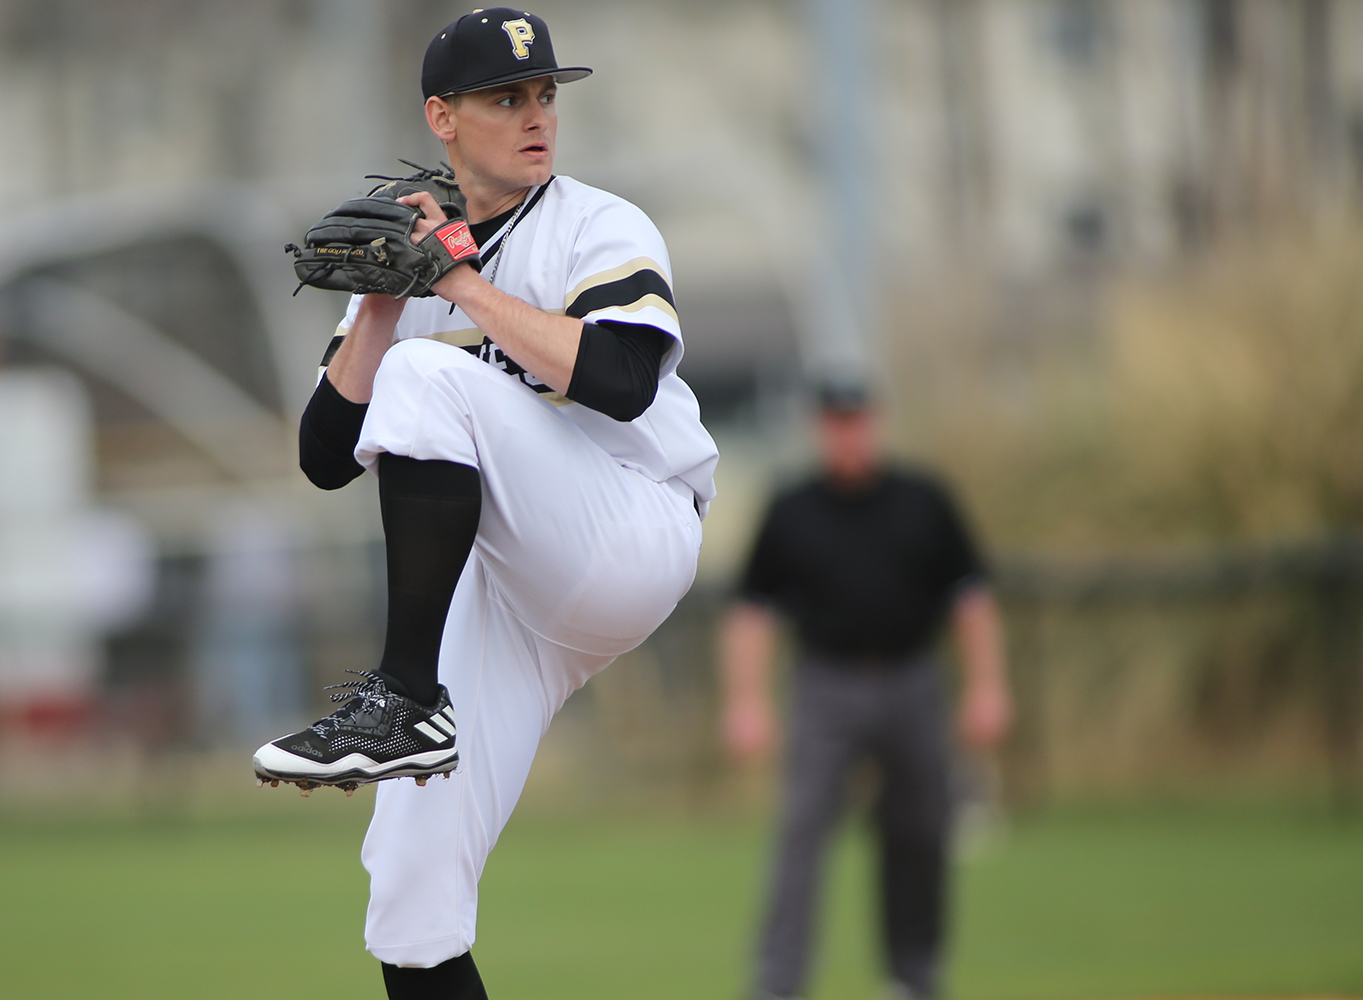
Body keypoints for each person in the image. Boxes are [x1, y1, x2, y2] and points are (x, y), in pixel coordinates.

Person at [250, 9, 717, 998]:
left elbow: (625, 378)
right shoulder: (410, 254)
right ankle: (412, 706)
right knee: (406, 893)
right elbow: (324, 457)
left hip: (631, 521)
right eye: (505, 97)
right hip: (510, 582)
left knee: (428, 376)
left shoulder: (596, 223)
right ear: (441, 117)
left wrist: (456, 284)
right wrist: (378, 308)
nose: (535, 113)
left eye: (544, 93)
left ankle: (406, 698)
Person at [720, 380, 1010, 1000]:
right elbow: (752, 610)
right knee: (801, 835)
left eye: (856, 420)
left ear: (875, 422)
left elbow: (970, 598)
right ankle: (778, 985)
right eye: (835, 421)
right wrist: (746, 701)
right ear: (819, 427)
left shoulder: (922, 499)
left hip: (911, 679)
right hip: (825, 686)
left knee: (919, 831)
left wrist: (986, 687)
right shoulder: (793, 508)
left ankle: (912, 978)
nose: (847, 433)